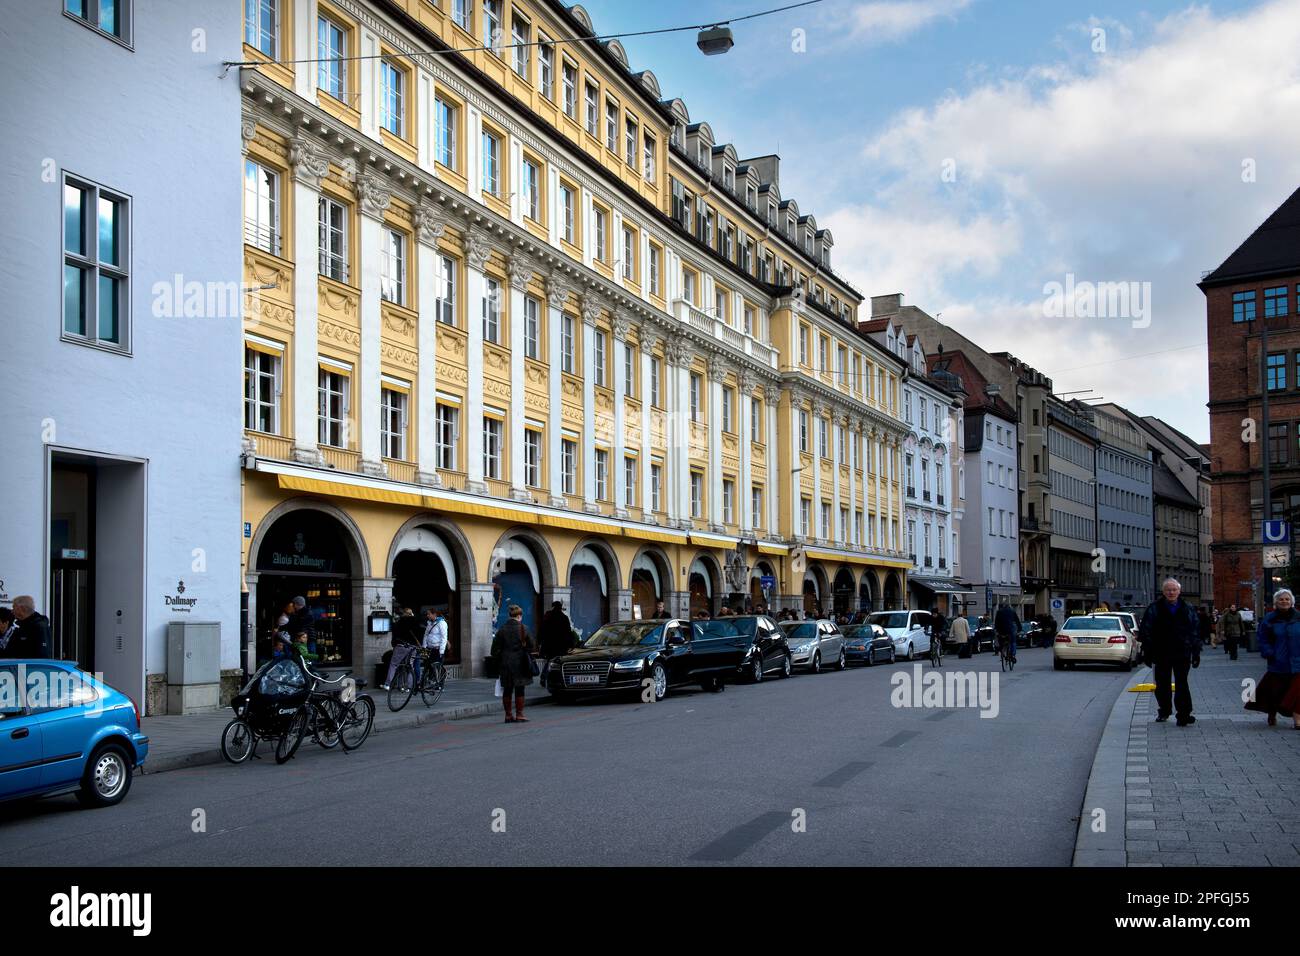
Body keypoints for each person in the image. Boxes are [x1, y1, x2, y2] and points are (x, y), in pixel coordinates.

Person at [1138, 578, 1201, 726]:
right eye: (1168, 590)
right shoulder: (1154, 608)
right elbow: (1145, 630)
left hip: (1182, 651)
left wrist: (1196, 651)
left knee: (1182, 683)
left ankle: (1184, 714)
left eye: (1174, 590)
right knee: (1162, 684)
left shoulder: (1187, 608)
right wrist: (1147, 651)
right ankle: (1164, 710)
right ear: (1163, 592)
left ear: (1179, 591)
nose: (1171, 592)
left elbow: (1195, 630)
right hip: (1161, 652)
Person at [1248, 589, 1300, 729]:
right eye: (1281, 599)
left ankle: (1297, 719)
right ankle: (1272, 713)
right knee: (1275, 692)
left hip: (1297, 661)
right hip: (1278, 661)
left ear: (1292, 602)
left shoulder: (1298, 617)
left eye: (1287, 599)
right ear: (1276, 602)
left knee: (1298, 691)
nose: (1284, 601)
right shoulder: (1270, 619)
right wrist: (1269, 652)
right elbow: (1263, 638)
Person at [491, 604, 536, 723]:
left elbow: (494, 650)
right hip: (520, 663)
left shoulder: (502, 629)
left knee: (507, 689)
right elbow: (532, 646)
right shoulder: (523, 628)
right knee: (520, 689)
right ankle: (520, 714)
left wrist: (500, 658)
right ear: (519, 616)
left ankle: (508, 715)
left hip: (505, 664)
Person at [381, 608, 423, 690]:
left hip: (401, 645)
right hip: (413, 647)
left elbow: (395, 634)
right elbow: (420, 633)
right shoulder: (416, 622)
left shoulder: (400, 622)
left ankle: (388, 684)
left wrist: (394, 644)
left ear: (403, 613)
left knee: (394, 664)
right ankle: (408, 687)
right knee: (410, 666)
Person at [537, 600, 574, 686]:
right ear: (560, 608)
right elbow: (568, 632)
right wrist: (571, 645)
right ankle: (558, 679)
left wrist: (539, 642)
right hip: (561, 645)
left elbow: (541, 630)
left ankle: (543, 677)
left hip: (549, 644)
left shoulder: (548, 617)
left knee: (549, 661)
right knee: (559, 662)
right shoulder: (564, 618)